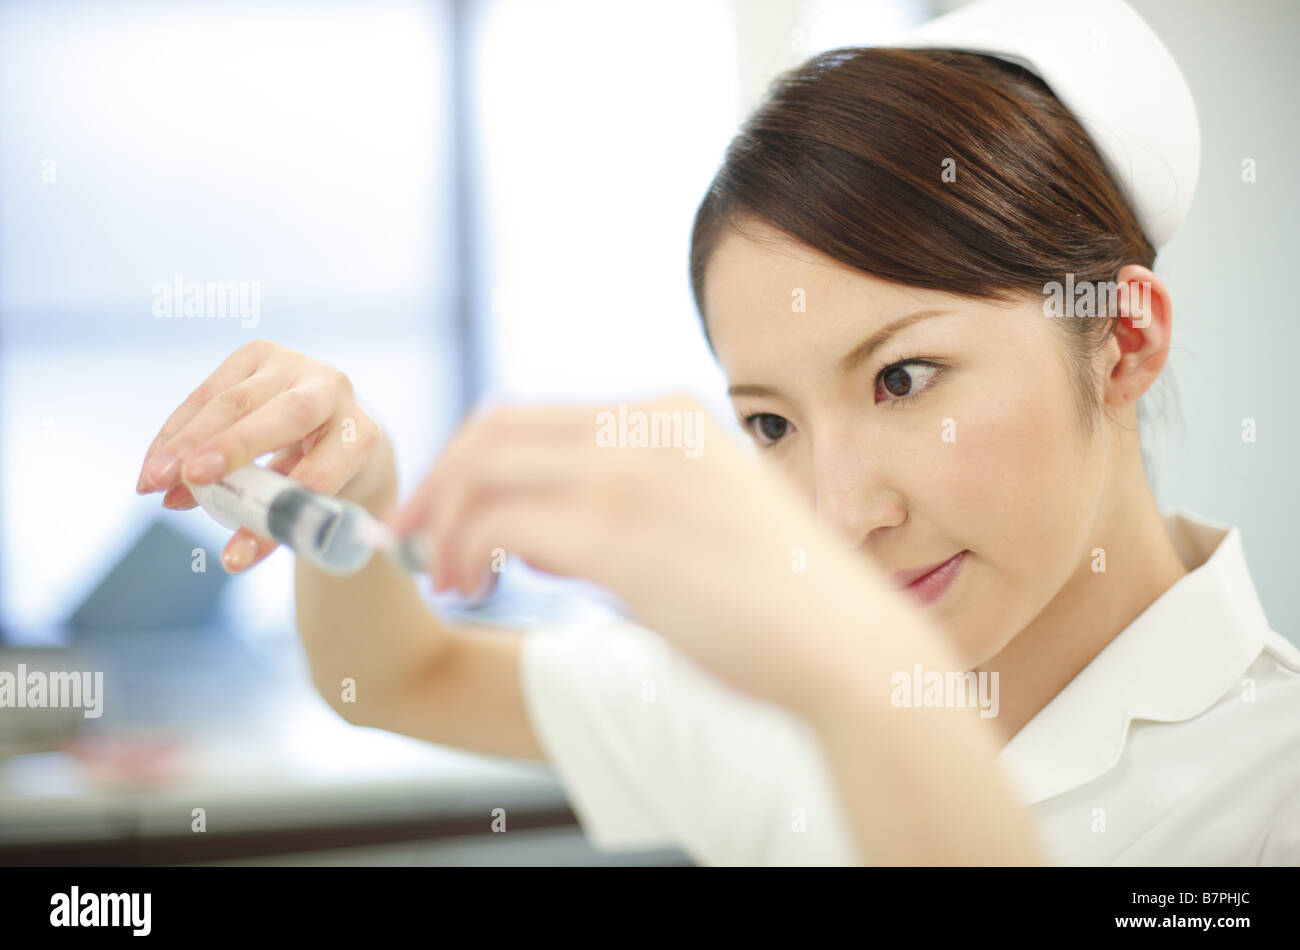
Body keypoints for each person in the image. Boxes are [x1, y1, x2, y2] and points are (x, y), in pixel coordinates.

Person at [135, 0, 1300, 865]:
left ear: (1124, 340)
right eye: (768, 422)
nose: (844, 514)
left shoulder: (1273, 785)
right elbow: (390, 671)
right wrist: (358, 490)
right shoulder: (769, 681)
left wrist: (868, 690)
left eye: (902, 375)